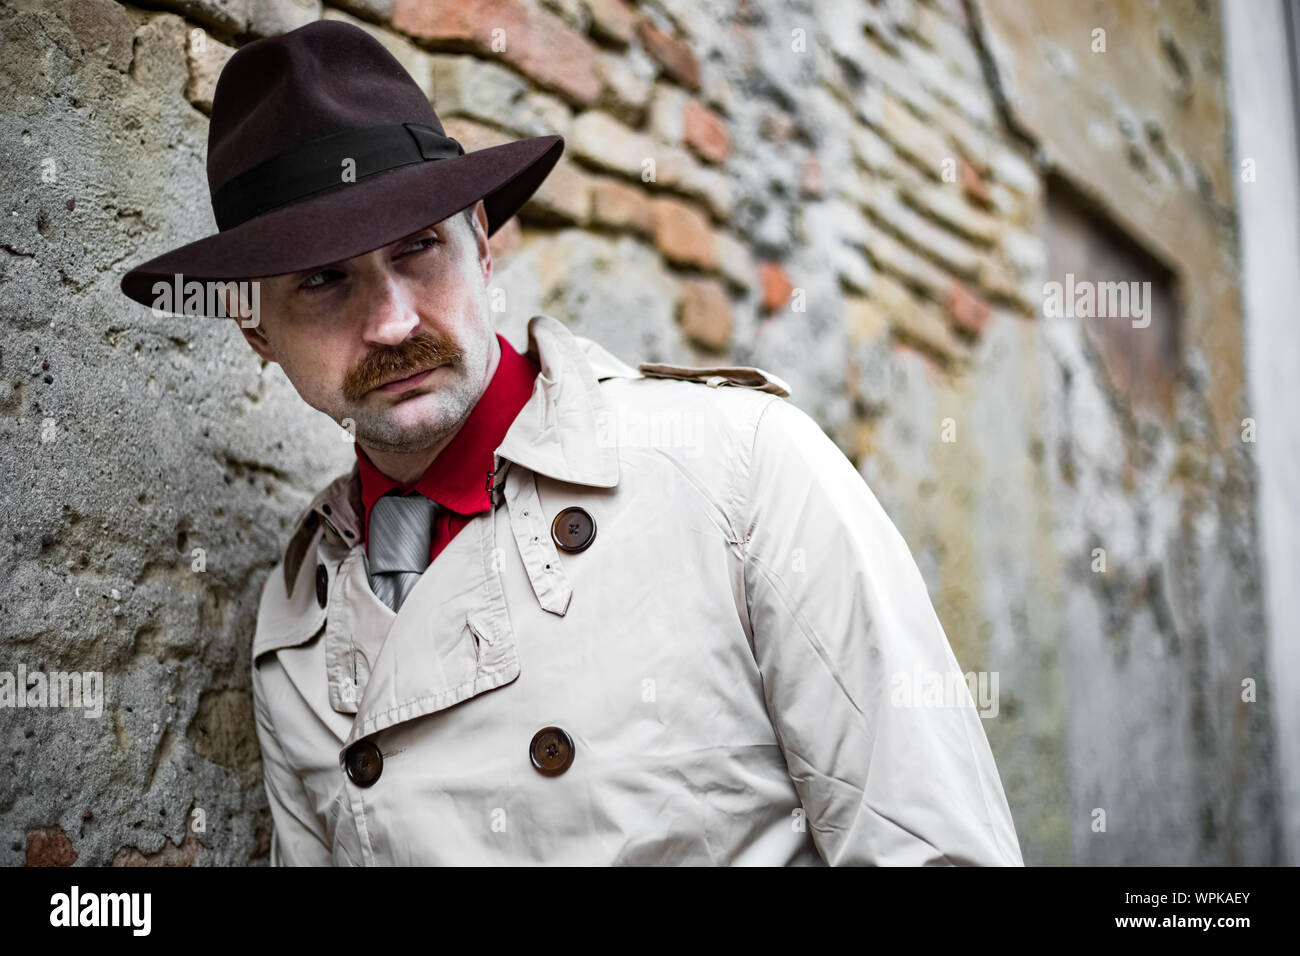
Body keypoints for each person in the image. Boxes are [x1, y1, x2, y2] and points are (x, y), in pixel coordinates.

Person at [120, 20, 1024, 867]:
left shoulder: (738, 470)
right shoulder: (297, 623)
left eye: (418, 249)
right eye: (324, 281)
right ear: (257, 333)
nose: (392, 323)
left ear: (482, 242)